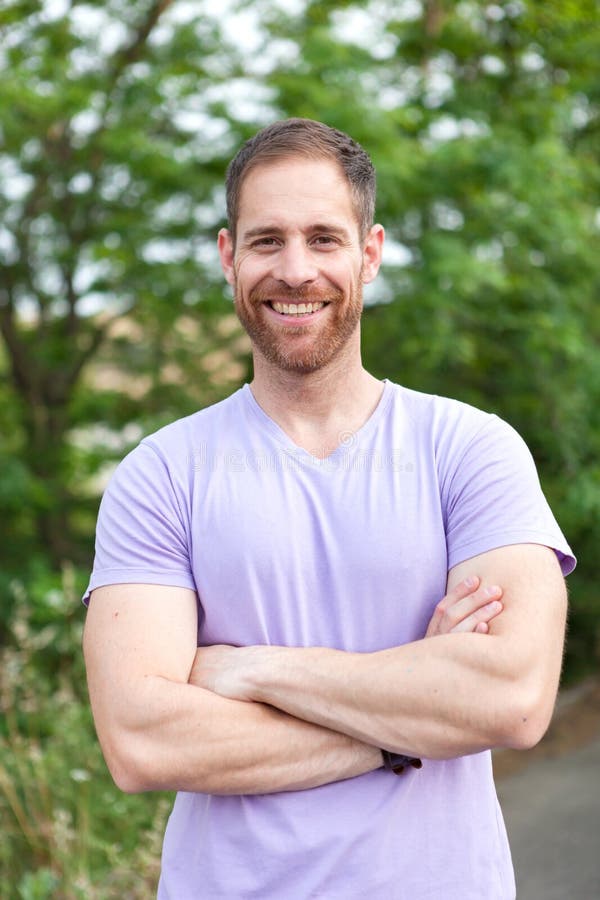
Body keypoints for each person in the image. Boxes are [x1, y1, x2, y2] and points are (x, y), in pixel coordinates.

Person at [83, 118, 575, 899]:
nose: (296, 269)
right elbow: (141, 741)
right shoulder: (162, 473)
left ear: (369, 253)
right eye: (267, 240)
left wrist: (248, 670)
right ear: (228, 257)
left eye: (323, 238)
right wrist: (406, 728)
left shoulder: (471, 450)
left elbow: (510, 699)